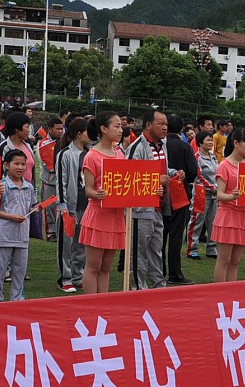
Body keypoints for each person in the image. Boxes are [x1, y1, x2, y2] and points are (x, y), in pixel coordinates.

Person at [79, 112, 127, 294]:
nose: (121, 130)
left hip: (115, 216)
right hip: (98, 216)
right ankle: (91, 305)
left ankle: (103, 304)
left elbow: (126, 186)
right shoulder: (92, 156)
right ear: (103, 129)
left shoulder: (120, 154)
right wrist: (98, 194)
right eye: (116, 126)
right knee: (94, 266)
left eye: (121, 126)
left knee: (106, 267)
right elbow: (88, 190)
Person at [125, 109, 171, 291]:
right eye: (161, 123)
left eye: (166, 124)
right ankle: (138, 288)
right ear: (148, 125)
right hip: (140, 210)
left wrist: (173, 173)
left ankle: (158, 285)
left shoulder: (162, 146)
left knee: (156, 250)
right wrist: (155, 181)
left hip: (158, 208)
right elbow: (128, 178)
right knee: (139, 252)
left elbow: (162, 171)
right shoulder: (136, 148)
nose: (165, 127)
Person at [0, 150, 37, 302]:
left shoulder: (28, 187)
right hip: (4, 236)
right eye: (16, 163)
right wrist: (11, 217)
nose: (20, 167)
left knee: (20, 270)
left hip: (22, 237)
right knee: (0, 270)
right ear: (6, 165)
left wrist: (36, 209)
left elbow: (30, 207)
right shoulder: (1, 186)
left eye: (23, 164)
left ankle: (17, 299)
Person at [212, 128, 245, 283]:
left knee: (235, 261)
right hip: (228, 215)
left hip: (244, 215)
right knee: (224, 259)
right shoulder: (225, 165)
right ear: (236, 143)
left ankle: (231, 293)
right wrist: (232, 196)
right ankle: (220, 294)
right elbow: (219, 194)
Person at [163, 114, 198, 285]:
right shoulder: (184, 147)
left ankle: (159, 270)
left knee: (160, 235)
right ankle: (174, 273)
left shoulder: (159, 146)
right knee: (175, 236)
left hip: (160, 193)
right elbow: (193, 172)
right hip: (180, 194)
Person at [55, 116, 89, 293]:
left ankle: (78, 276)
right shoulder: (65, 154)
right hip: (69, 207)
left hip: (87, 206)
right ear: (79, 134)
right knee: (66, 245)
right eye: (87, 132)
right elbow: (61, 182)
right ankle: (65, 278)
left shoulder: (90, 153)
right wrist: (63, 206)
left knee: (81, 245)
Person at [187, 130, 219, 260]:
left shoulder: (213, 157)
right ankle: (192, 249)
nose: (211, 142)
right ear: (200, 143)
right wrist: (212, 188)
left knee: (213, 222)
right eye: (208, 140)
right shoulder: (197, 157)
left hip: (214, 195)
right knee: (197, 221)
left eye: (211, 140)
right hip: (202, 194)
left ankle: (212, 248)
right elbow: (199, 176)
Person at [38, 117, 63, 242]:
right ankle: (51, 233)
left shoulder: (64, 142)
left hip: (61, 182)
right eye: (57, 129)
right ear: (50, 129)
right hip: (49, 181)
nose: (60, 131)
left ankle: (60, 231)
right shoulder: (44, 143)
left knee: (61, 207)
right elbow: (47, 163)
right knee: (49, 208)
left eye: (61, 129)